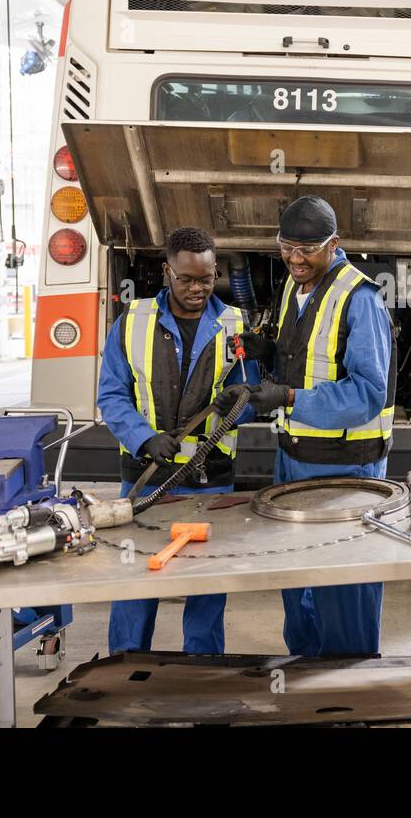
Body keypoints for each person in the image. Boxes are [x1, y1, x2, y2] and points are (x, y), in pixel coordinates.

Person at [231, 195, 395, 655]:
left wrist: (287, 398)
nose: (295, 259)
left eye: (307, 250)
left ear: (334, 244)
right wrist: (266, 348)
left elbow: (367, 393)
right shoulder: (294, 284)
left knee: (343, 588)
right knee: (297, 579)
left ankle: (345, 693)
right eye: (287, 247)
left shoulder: (360, 300)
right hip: (294, 457)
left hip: (347, 471)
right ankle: (305, 675)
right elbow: (307, 355)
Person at [96, 226, 260, 653]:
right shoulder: (132, 320)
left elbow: (257, 395)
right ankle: (125, 668)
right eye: (186, 278)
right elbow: (112, 394)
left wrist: (238, 406)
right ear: (167, 271)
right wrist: (143, 438)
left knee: (206, 589)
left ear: (215, 272)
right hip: (146, 477)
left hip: (213, 480)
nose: (196, 288)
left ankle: (202, 673)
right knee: (136, 584)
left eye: (205, 279)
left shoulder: (234, 324)